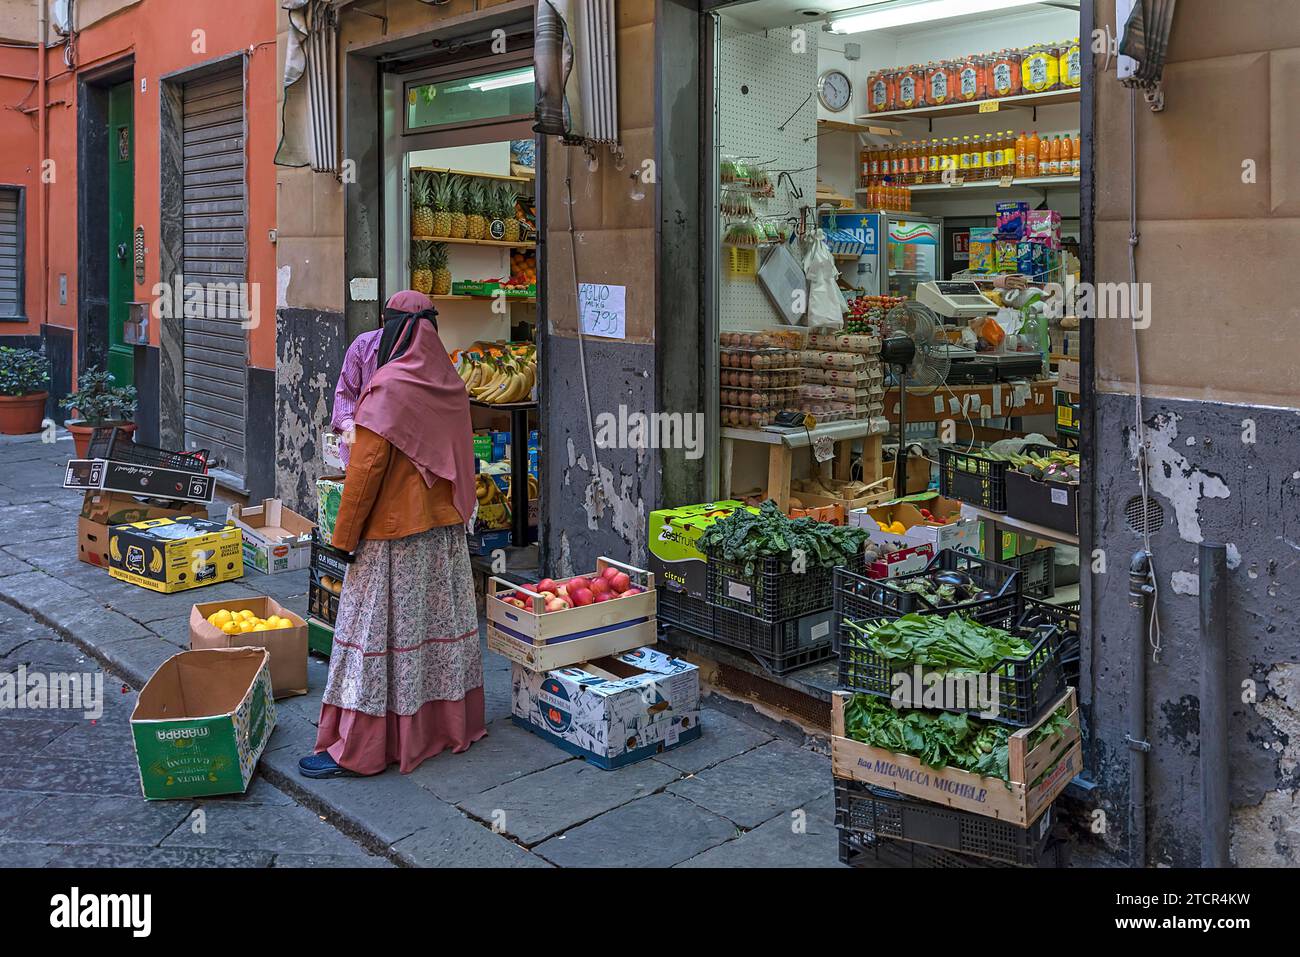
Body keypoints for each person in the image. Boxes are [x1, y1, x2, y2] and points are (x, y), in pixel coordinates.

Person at [300, 290, 485, 778]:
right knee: (434, 636)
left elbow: (365, 474)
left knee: (374, 638)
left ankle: (363, 746)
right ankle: (442, 728)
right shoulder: (449, 383)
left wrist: (343, 538)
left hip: (392, 538)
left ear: (395, 327)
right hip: (443, 537)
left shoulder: (388, 389)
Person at [330, 316, 384, 469]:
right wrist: (352, 440)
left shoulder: (425, 351)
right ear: (383, 319)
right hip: (360, 441)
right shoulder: (363, 345)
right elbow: (343, 402)